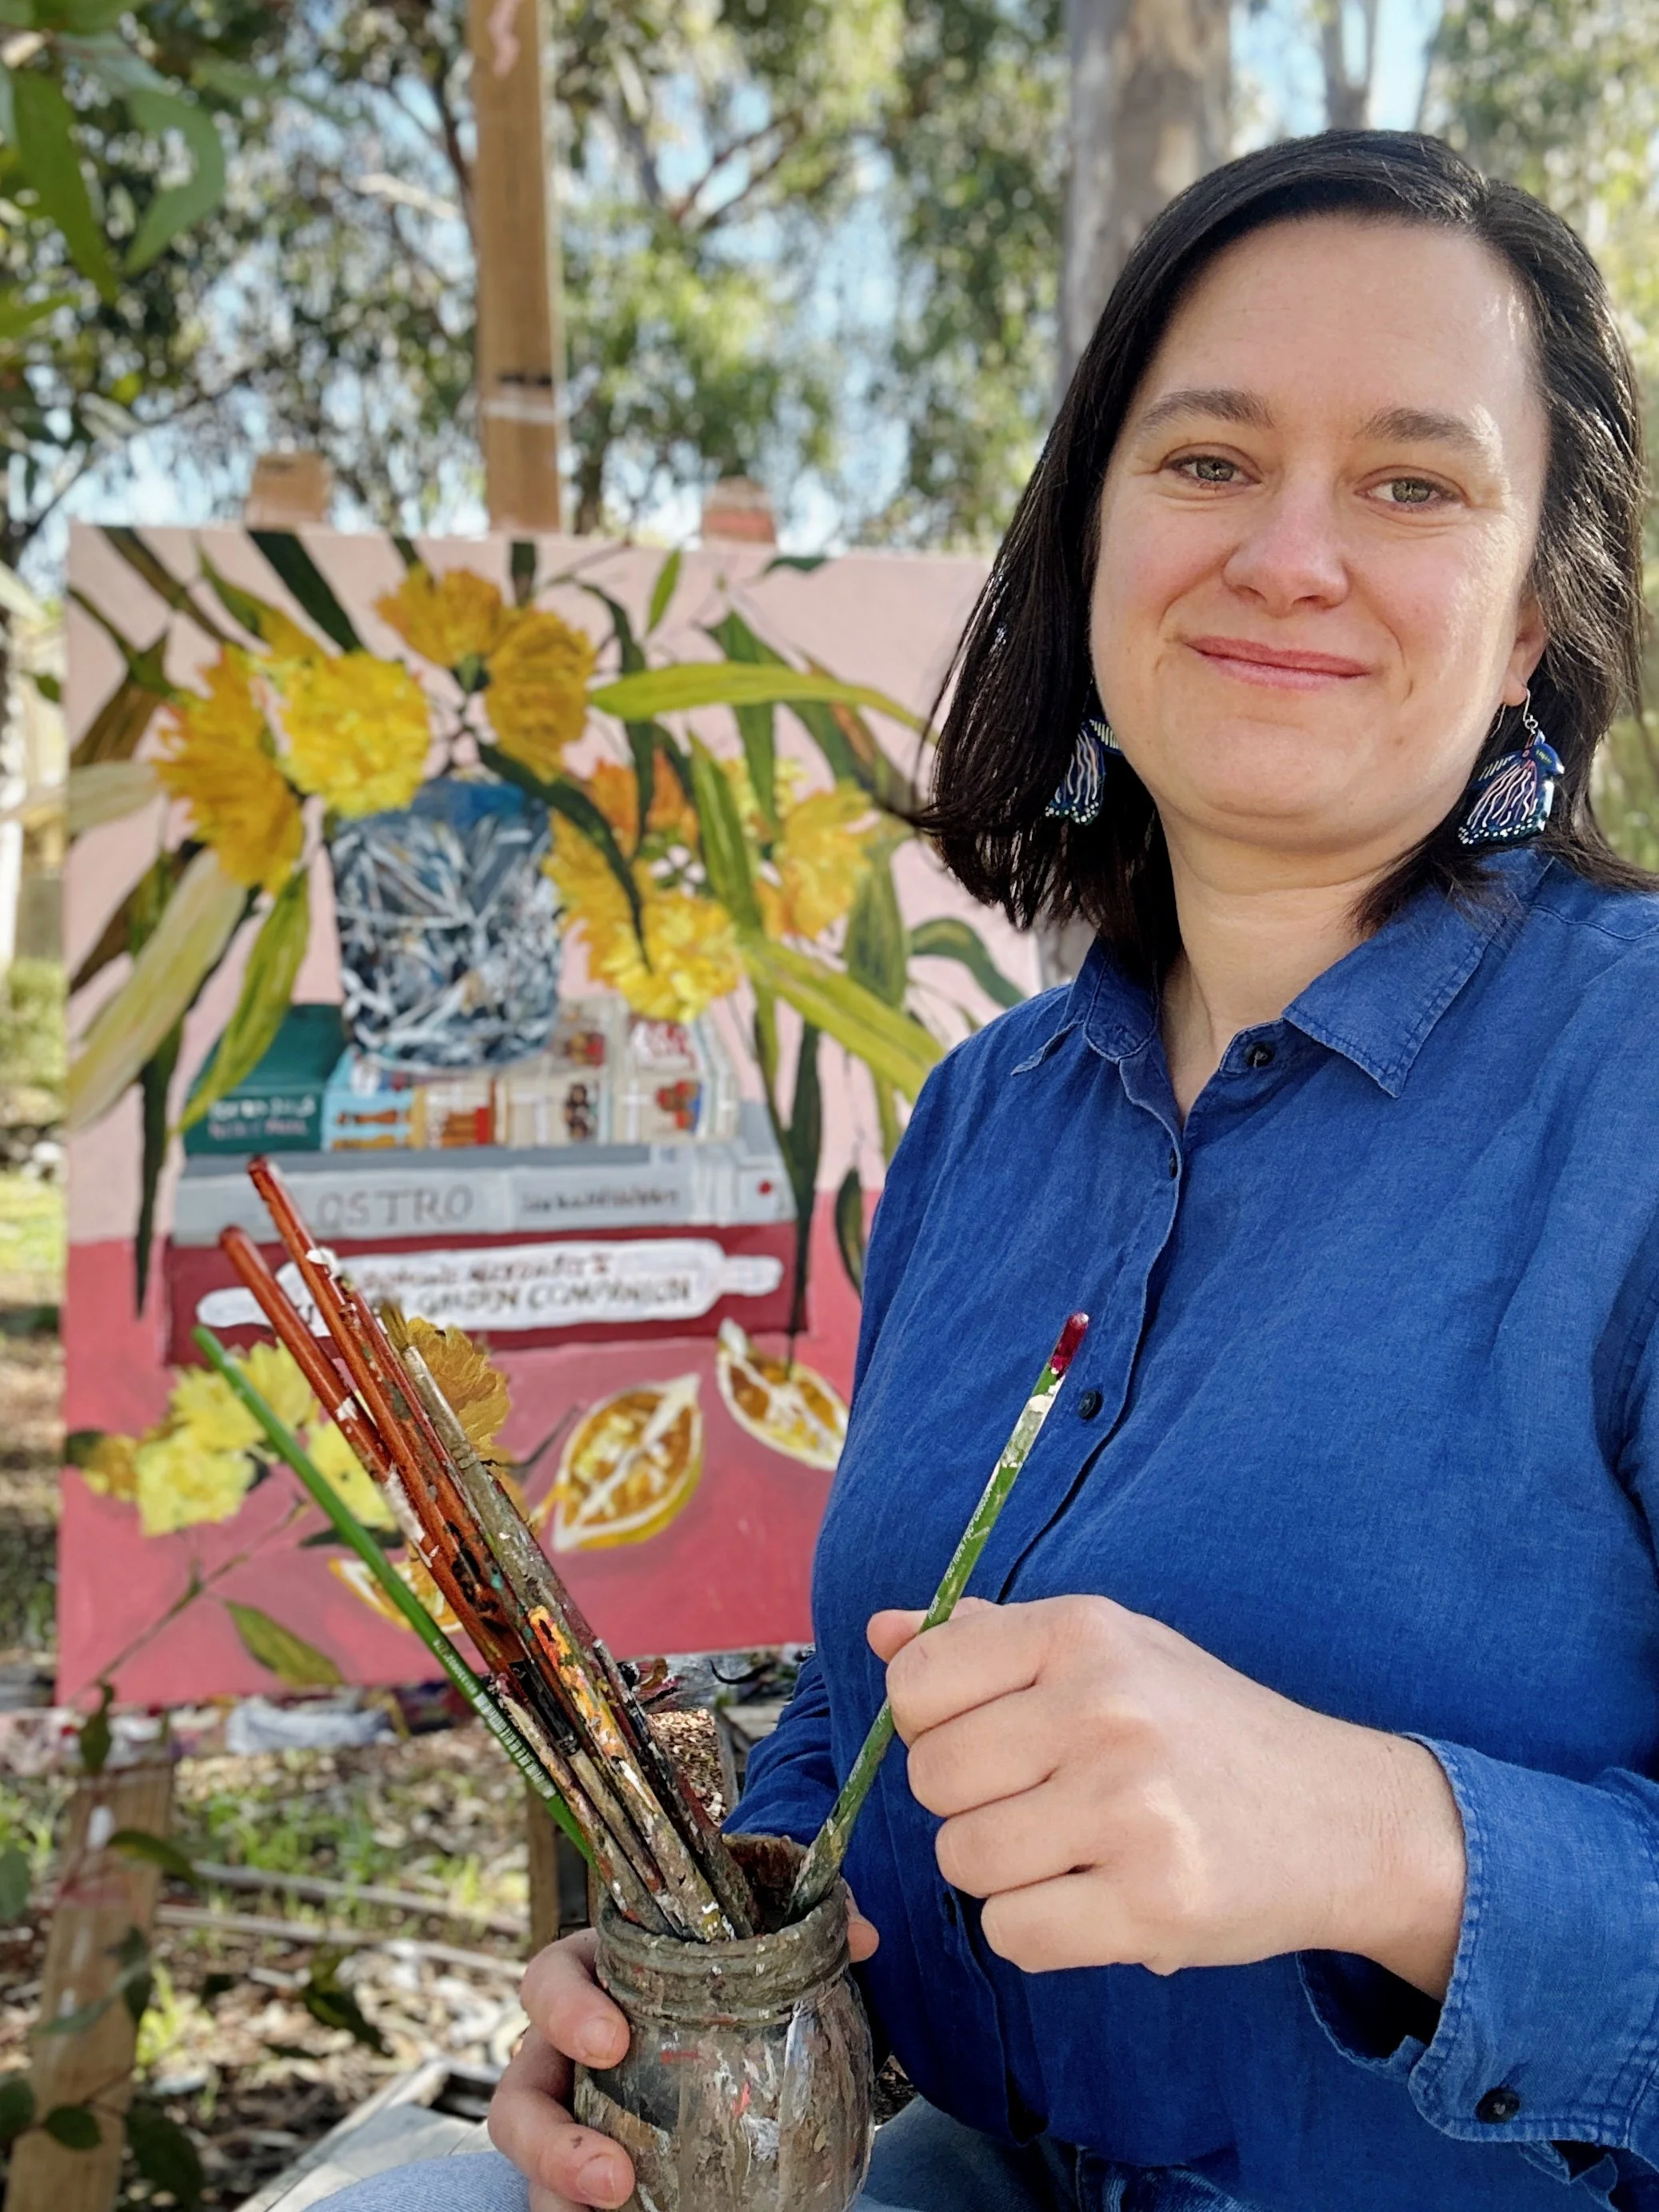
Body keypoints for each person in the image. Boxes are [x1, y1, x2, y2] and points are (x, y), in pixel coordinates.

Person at [322, 127, 1659, 2211]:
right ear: (1093, 543)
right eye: (1207, 459)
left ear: (1527, 627)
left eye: (1414, 481)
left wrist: (1386, 1838)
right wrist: (711, 1934)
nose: (1291, 551)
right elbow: (861, 1719)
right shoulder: (984, 1117)